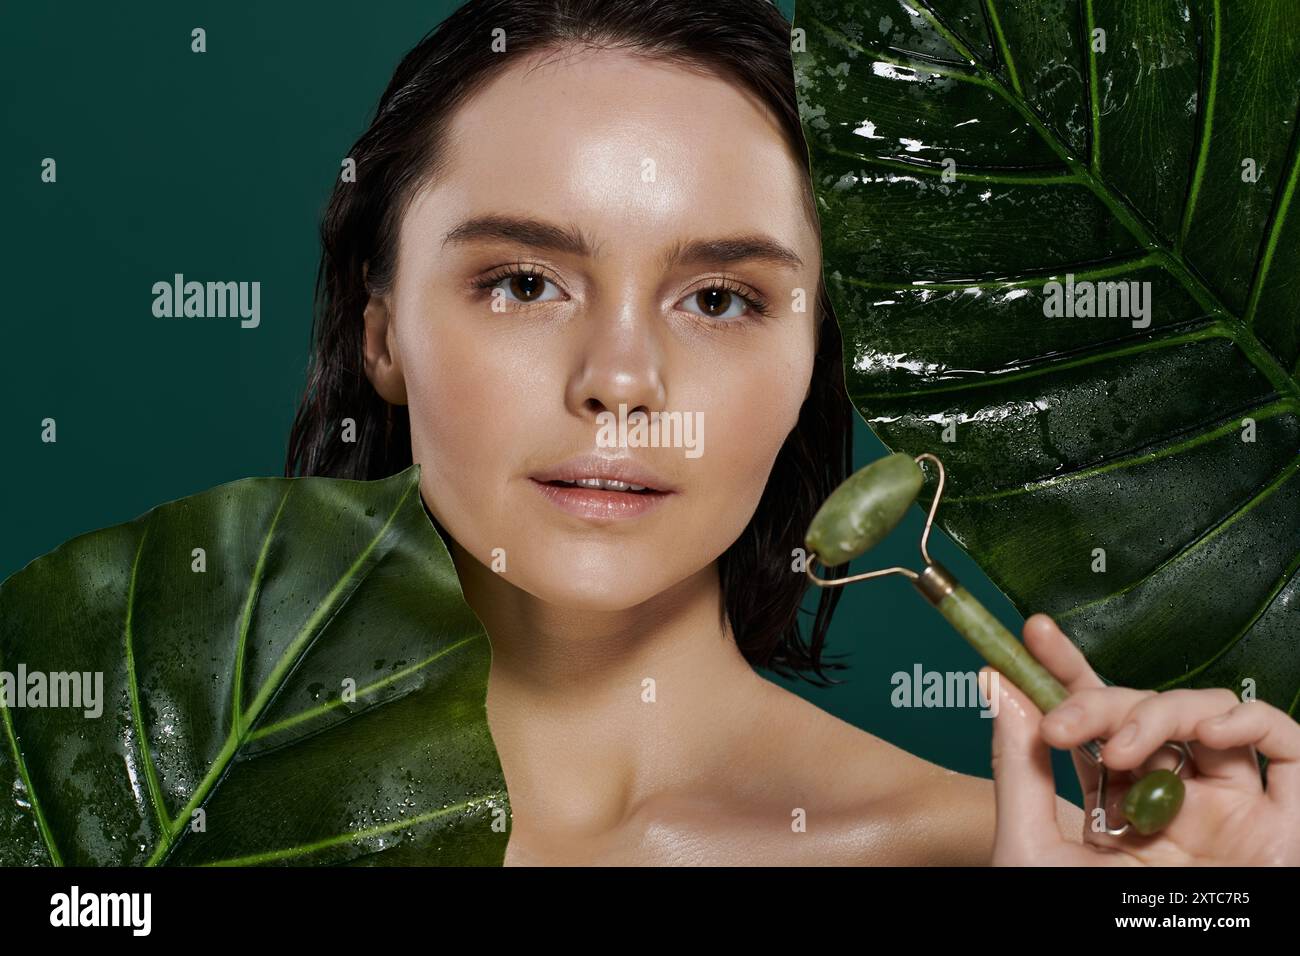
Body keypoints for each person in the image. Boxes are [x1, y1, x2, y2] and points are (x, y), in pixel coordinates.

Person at [285, 0, 1300, 865]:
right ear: (382, 334)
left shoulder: (1011, 857)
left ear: (813, 352)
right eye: (522, 283)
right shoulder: (201, 786)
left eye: (719, 299)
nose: (621, 381)